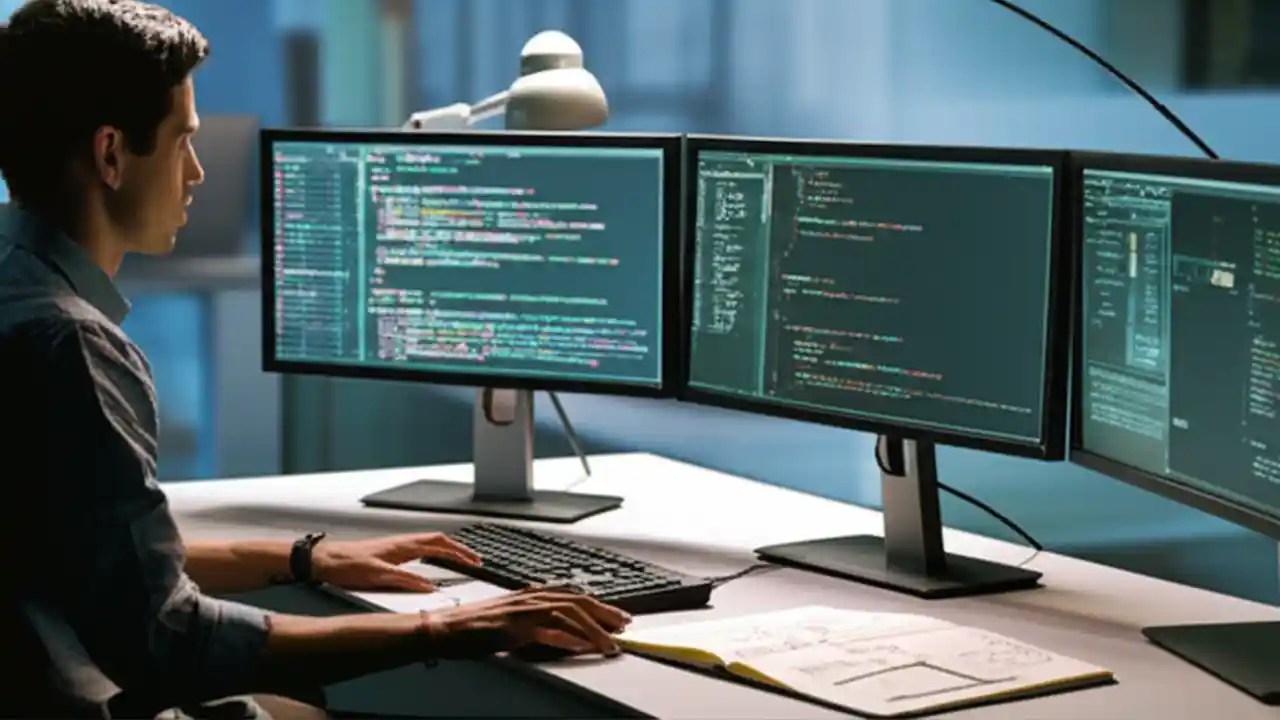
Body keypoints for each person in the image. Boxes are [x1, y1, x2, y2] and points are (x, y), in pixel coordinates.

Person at [0, 1, 630, 718]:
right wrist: (443, 627)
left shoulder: (15, 286)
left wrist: (303, 558)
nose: (199, 172)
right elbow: (166, 638)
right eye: (182, 141)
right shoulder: (72, 346)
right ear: (111, 154)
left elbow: (101, 554)